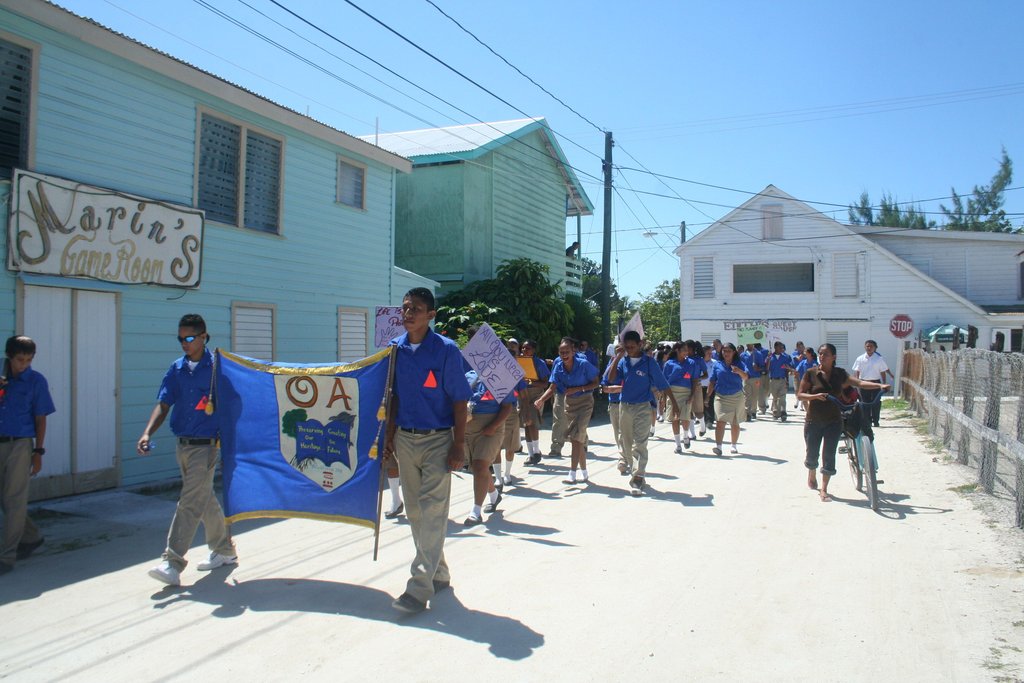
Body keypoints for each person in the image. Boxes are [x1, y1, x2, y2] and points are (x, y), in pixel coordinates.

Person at [384, 288, 472, 614]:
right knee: (417, 514)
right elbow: (391, 397)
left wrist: (458, 445)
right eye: (405, 308)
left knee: (433, 512)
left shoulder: (446, 350)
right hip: (405, 440)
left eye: (416, 309)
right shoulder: (395, 350)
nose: (408, 313)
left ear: (431, 315)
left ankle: (418, 588)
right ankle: (440, 572)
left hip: (438, 440)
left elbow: (460, 400)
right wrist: (389, 438)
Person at [138, 314, 237, 587]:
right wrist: (147, 432)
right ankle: (224, 549)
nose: (184, 343)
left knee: (190, 501)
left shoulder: (219, 369)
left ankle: (172, 562)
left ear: (204, 337)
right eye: (181, 338)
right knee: (202, 497)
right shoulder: (177, 369)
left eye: (189, 338)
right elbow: (164, 403)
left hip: (206, 446)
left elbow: (233, 404)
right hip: (182, 444)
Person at [797, 343, 889, 502]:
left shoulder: (840, 374)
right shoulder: (811, 373)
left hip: (834, 421)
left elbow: (859, 383)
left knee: (829, 454)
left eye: (826, 354)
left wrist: (879, 385)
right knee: (812, 454)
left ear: (834, 357)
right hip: (814, 420)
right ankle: (811, 471)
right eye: (820, 353)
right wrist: (814, 397)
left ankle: (824, 489)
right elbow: (800, 395)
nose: (822, 356)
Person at [0, 335, 55, 575]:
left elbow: (40, 418)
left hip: (20, 445)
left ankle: (6, 556)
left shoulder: (35, 381)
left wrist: (38, 452)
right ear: (9, 356)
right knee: (7, 500)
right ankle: (31, 536)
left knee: (14, 499)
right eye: (20, 359)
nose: (24, 364)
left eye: (29, 360)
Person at [608, 331, 678, 496]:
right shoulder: (623, 361)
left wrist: (674, 404)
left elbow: (663, 383)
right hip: (624, 406)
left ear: (640, 344)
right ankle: (634, 469)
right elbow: (611, 378)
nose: (630, 350)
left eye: (632, 346)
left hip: (642, 407)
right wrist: (617, 357)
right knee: (626, 442)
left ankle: (638, 477)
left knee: (640, 443)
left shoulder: (649, 363)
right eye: (627, 347)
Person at [462, 334, 515, 526]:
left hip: (491, 428)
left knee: (480, 466)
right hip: (469, 427)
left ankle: (475, 511)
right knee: (478, 467)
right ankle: (493, 495)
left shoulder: (501, 376)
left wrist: (493, 426)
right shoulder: (469, 375)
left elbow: (508, 406)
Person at [534, 337, 599, 484]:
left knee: (576, 438)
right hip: (569, 404)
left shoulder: (583, 364)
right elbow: (552, 387)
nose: (564, 354)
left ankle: (572, 473)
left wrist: (579, 388)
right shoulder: (558, 366)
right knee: (578, 439)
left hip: (585, 402)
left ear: (573, 351)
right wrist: (541, 400)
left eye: (567, 351)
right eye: (561, 352)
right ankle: (584, 472)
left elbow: (596, 382)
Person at [705, 343, 749, 456]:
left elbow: (746, 377)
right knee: (720, 421)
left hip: (736, 396)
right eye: (724, 351)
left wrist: (739, 371)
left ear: (734, 352)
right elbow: (712, 381)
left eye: (729, 351)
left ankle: (733, 445)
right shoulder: (717, 365)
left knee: (735, 422)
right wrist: (707, 396)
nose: (726, 353)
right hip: (721, 396)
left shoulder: (740, 364)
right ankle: (718, 447)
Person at [517, 339, 550, 466]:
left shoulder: (539, 363)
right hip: (522, 394)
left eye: (528, 348)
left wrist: (529, 382)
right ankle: (531, 454)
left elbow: (545, 383)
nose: (524, 350)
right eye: (523, 348)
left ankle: (536, 452)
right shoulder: (518, 361)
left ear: (534, 350)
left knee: (532, 423)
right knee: (526, 423)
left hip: (535, 395)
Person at [664, 342, 697, 453]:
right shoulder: (669, 363)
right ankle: (678, 445)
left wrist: (692, 395)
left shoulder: (691, 363)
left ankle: (686, 435)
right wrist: (663, 398)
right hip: (672, 393)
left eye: (687, 350)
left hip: (686, 392)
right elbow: (665, 382)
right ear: (677, 350)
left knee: (685, 417)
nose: (686, 352)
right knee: (675, 418)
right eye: (684, 350)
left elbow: (694, 380)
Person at [852, 339, 891, 428]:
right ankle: (867, 421)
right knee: (864, 403)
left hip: (876, 383)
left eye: (871, 346)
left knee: (876, 402)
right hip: (863, 383)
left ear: (875, 348)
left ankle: (876, 420)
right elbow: (857, 371)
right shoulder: (860, 358)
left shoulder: (879, 359)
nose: (869, 348)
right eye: (867, 346)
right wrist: (857, 383)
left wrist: (884, 384)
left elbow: (882, 371)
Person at [600, 345, 624, 466]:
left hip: (628, 405)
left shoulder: (628, 364)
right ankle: (623, 456)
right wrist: (622, 388)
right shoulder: (610, 367)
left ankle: (623, 459)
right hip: (614, 405)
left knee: (625, 433)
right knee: (618, 433)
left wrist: (616, 389)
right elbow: (605, 388)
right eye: (618, 351)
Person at [766, 341, 794, 421]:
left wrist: (787, 379)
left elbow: (789, 368)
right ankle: (776, 412)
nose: (782, 349)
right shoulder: (770, 357)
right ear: (775, 347)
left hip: (782, 379)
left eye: (782, 347)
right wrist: (768, 359)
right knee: (775, 397)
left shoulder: (785, 357)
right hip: (773, 380)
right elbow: (767, 369)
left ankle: (783, 412)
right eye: (780, 347)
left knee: (782, 397)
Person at [741, 344, 763, 422]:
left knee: (755, 395)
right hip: (746, 378)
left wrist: (757, 368)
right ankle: (747, 413)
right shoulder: (743, 355)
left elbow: (762, 366)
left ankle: (754, 411)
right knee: (747, 395)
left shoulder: (758, 354)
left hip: (756, 378)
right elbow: (741, 365)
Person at [700, 345, 717, 430]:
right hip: (700, 387)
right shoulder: (699, 362)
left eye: (711, 353)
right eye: (708, 353)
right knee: (701, 405)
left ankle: (709, 421)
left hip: (710, 387)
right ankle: (702, 420)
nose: (710, 355)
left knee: (710, 404)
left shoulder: (715, 362)